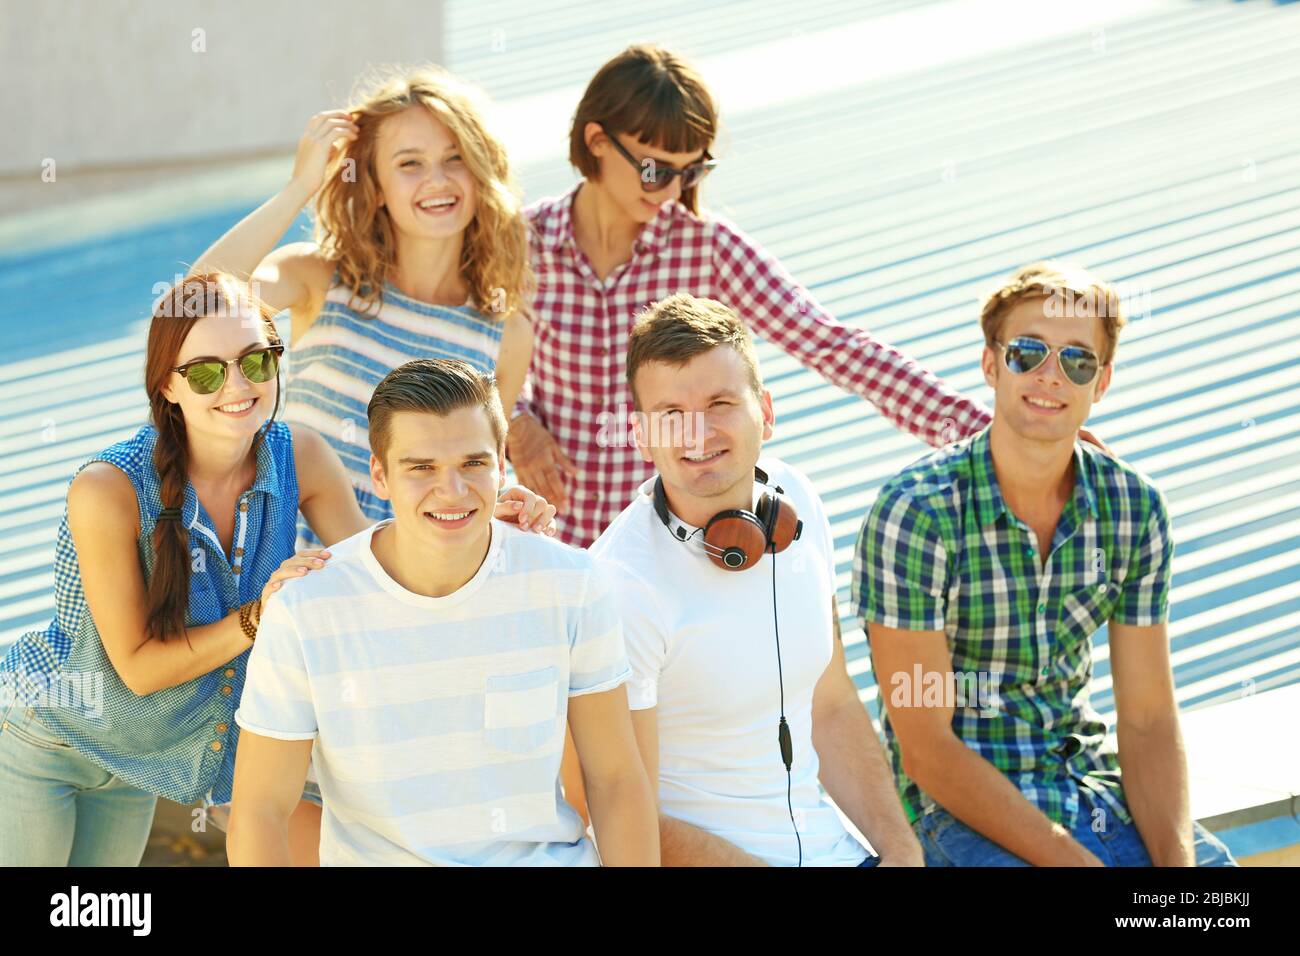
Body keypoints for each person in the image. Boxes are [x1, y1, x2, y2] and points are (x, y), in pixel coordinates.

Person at [853, 262, 1236, 866]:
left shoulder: (1133, 507)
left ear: (1101, 382)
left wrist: (1178, 870)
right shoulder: (917, 513)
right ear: (991, 365)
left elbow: (1147, 721)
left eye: (1077, 361)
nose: (1050, 375)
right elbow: (926, 747)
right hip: (957, 810)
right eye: (1027, 353)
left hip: (1088, 786)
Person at [228, 359, 658, 866]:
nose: (452, 490)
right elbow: (260, 811)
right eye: (422, 467)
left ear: (502, 464)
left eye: (473, 463)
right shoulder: (307, 607)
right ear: (380, 475)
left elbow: (616, 779)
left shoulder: (572, 583)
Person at [587, 293, 922, 866]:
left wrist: (900, 848)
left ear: (765, 411)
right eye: (671, 414)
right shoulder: (619, 585)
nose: (697, 432)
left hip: (837, 851)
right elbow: (623, 812)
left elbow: (831, 702)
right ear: (641, 435)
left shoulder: (799, 499)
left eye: (719, 403)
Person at [190, 64, 536, 552]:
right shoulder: (319, 277)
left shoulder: (506, 333)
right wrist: (299, 187)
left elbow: (481, 472)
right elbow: (194, 306)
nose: (437, 180)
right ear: (374, 187)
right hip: (274, 569)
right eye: (410, 164)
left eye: (455, 158)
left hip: (398, 581)